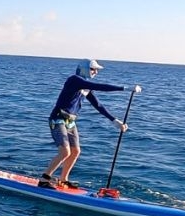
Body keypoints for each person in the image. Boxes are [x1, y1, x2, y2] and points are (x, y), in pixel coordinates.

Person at [39, 59, 141, 189]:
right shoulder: (74, 80)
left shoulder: (85, 87)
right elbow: (99, 86)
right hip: (58, 119)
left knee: (75, 151)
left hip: (70, 122)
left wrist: (114, 121)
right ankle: (44, 179)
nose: (96, 72)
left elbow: (98, 105)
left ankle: (63, 179)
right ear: (83, 68)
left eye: (97, 70)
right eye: (93, 69)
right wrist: (125, 88)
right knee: (65, 152)